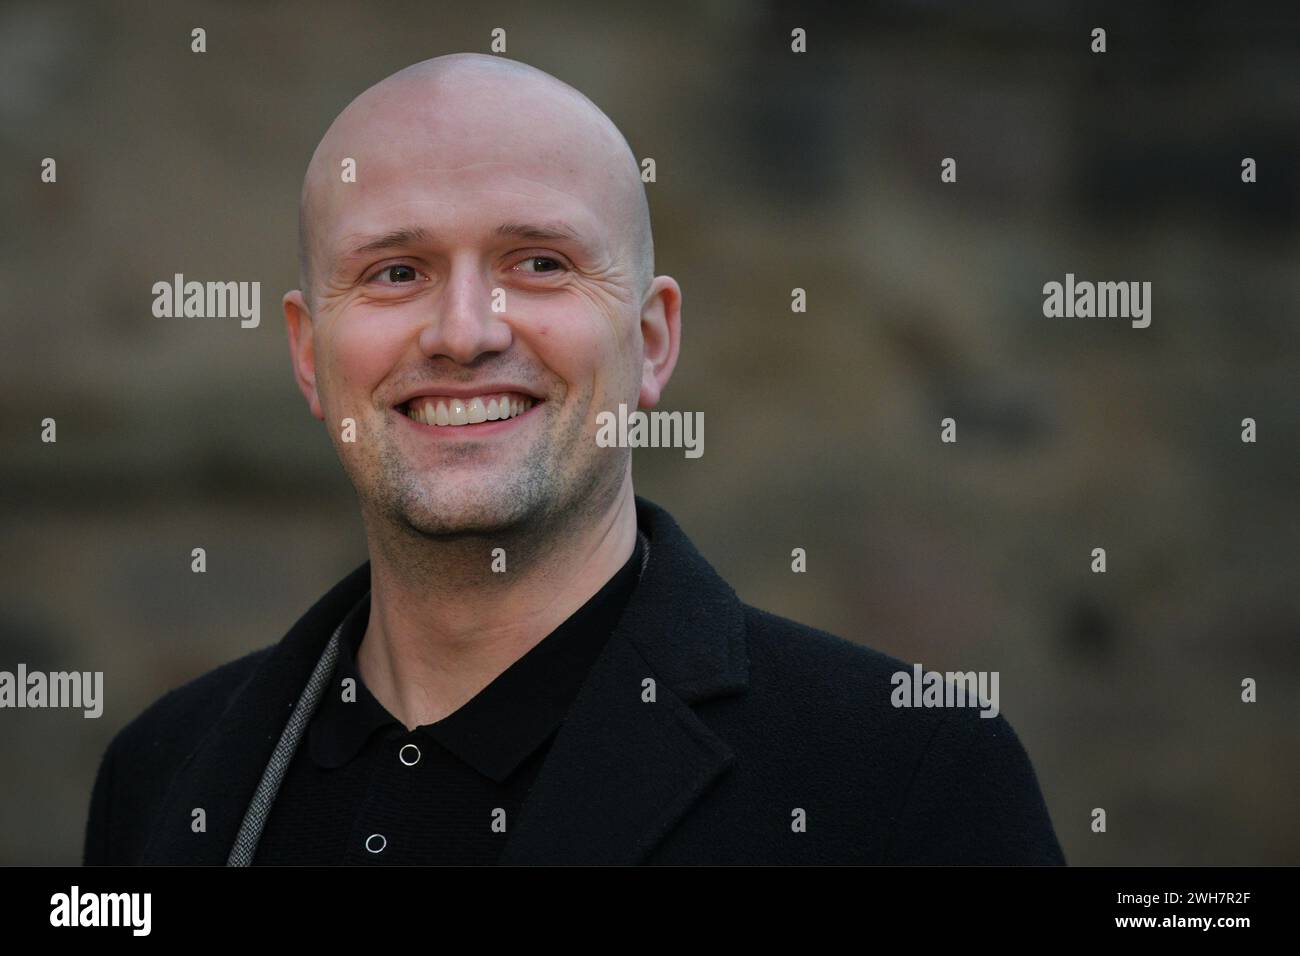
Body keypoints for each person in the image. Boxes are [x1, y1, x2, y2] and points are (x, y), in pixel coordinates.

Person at [83, 53, 1065, 865]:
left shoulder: (905, 774)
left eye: (538, 262)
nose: (464, 331)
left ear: (652, 338)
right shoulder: (166, 773)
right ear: (307, 353)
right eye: (394, 271)